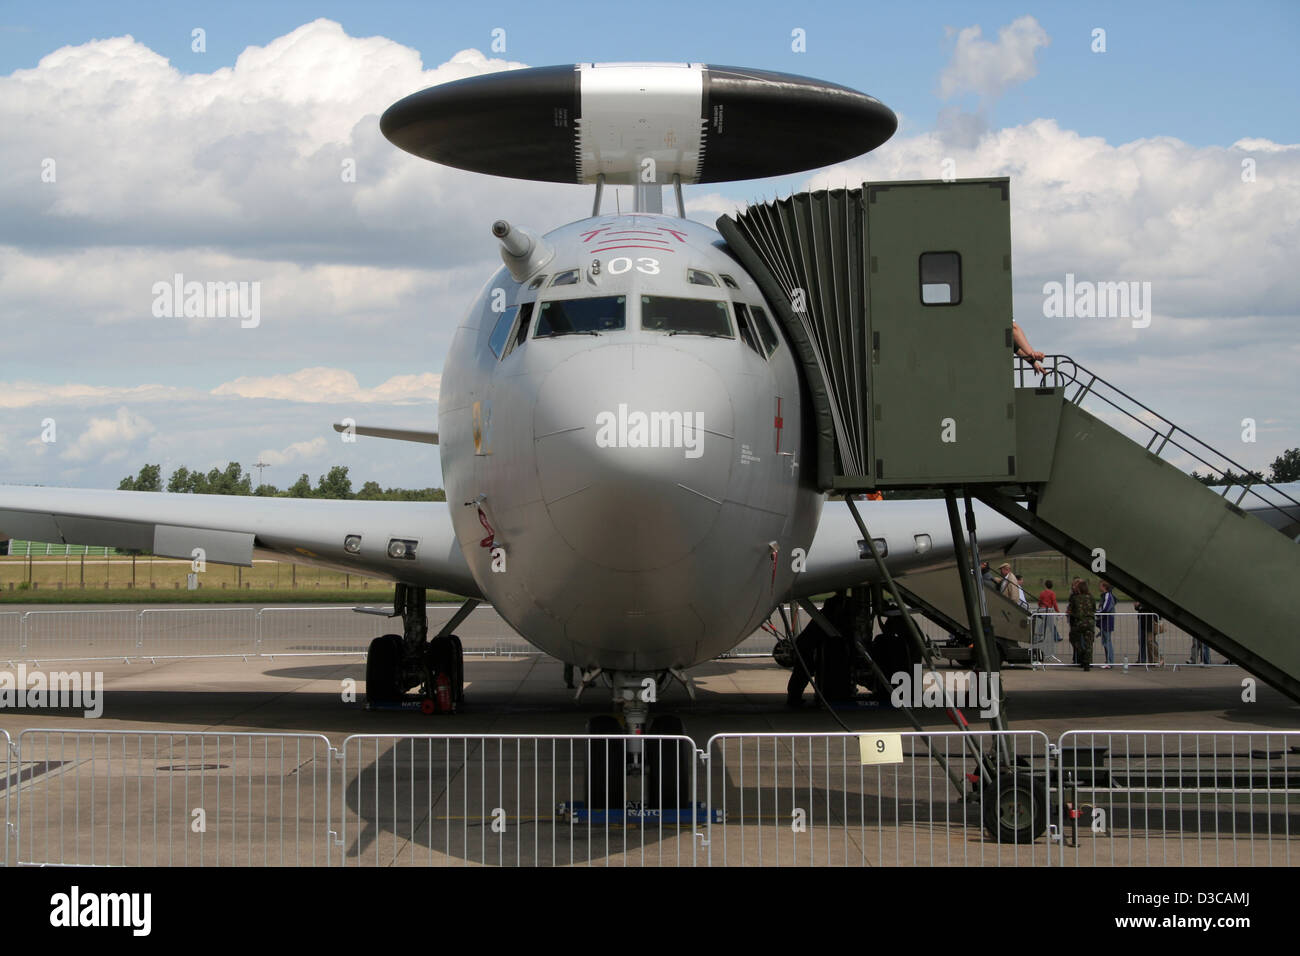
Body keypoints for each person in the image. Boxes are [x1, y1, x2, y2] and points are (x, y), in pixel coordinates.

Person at [786, 591, 848, 707]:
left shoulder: (824, 615)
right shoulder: (828, 618)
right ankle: (794, 697)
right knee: (803, 671)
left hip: (806, 645)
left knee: (803, 671)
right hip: (806, 647)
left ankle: (794, 696)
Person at [1068, 578, 1097, 671]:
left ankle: (1082, 653)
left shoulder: (1075, 598)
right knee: (1089, 643)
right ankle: (1087, 664)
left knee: (1073, 638)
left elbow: (1070, 610)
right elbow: (1094, 609)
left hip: (1079, 622)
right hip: (1090, 622)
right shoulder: (1091, 597)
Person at [1096, 581, 1116, 667]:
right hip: (1104, 620)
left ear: (1104, 587)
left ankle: (1110, 662)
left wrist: (1096, 612)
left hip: (1107, 621)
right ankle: (1108, 660)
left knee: (1107, 641)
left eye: (1100, 585)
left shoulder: (1108, 595)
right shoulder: (1104, 596)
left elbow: (1106, 608)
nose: (1099, 587)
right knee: (1105, 641)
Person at [1036, 579, 1061, 645]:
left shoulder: (1042, 593)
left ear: (1045, 585)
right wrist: (1058, 612)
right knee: (1050, 624)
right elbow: (1054, 603)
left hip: (1042, 610)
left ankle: (1039, 637)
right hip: (1048, 610)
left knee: (1044, 624)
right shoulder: (1052, 593)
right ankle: (1056, 637)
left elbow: (1039, 602)